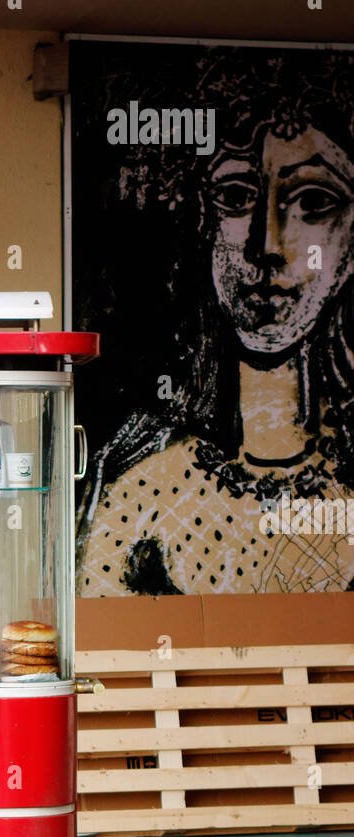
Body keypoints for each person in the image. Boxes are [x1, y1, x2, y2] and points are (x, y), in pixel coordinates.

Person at [78, 51, 354, 595]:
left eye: (314, 202)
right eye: (235, 198)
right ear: (200, 222)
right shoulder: (144, 494)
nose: (266, 246)